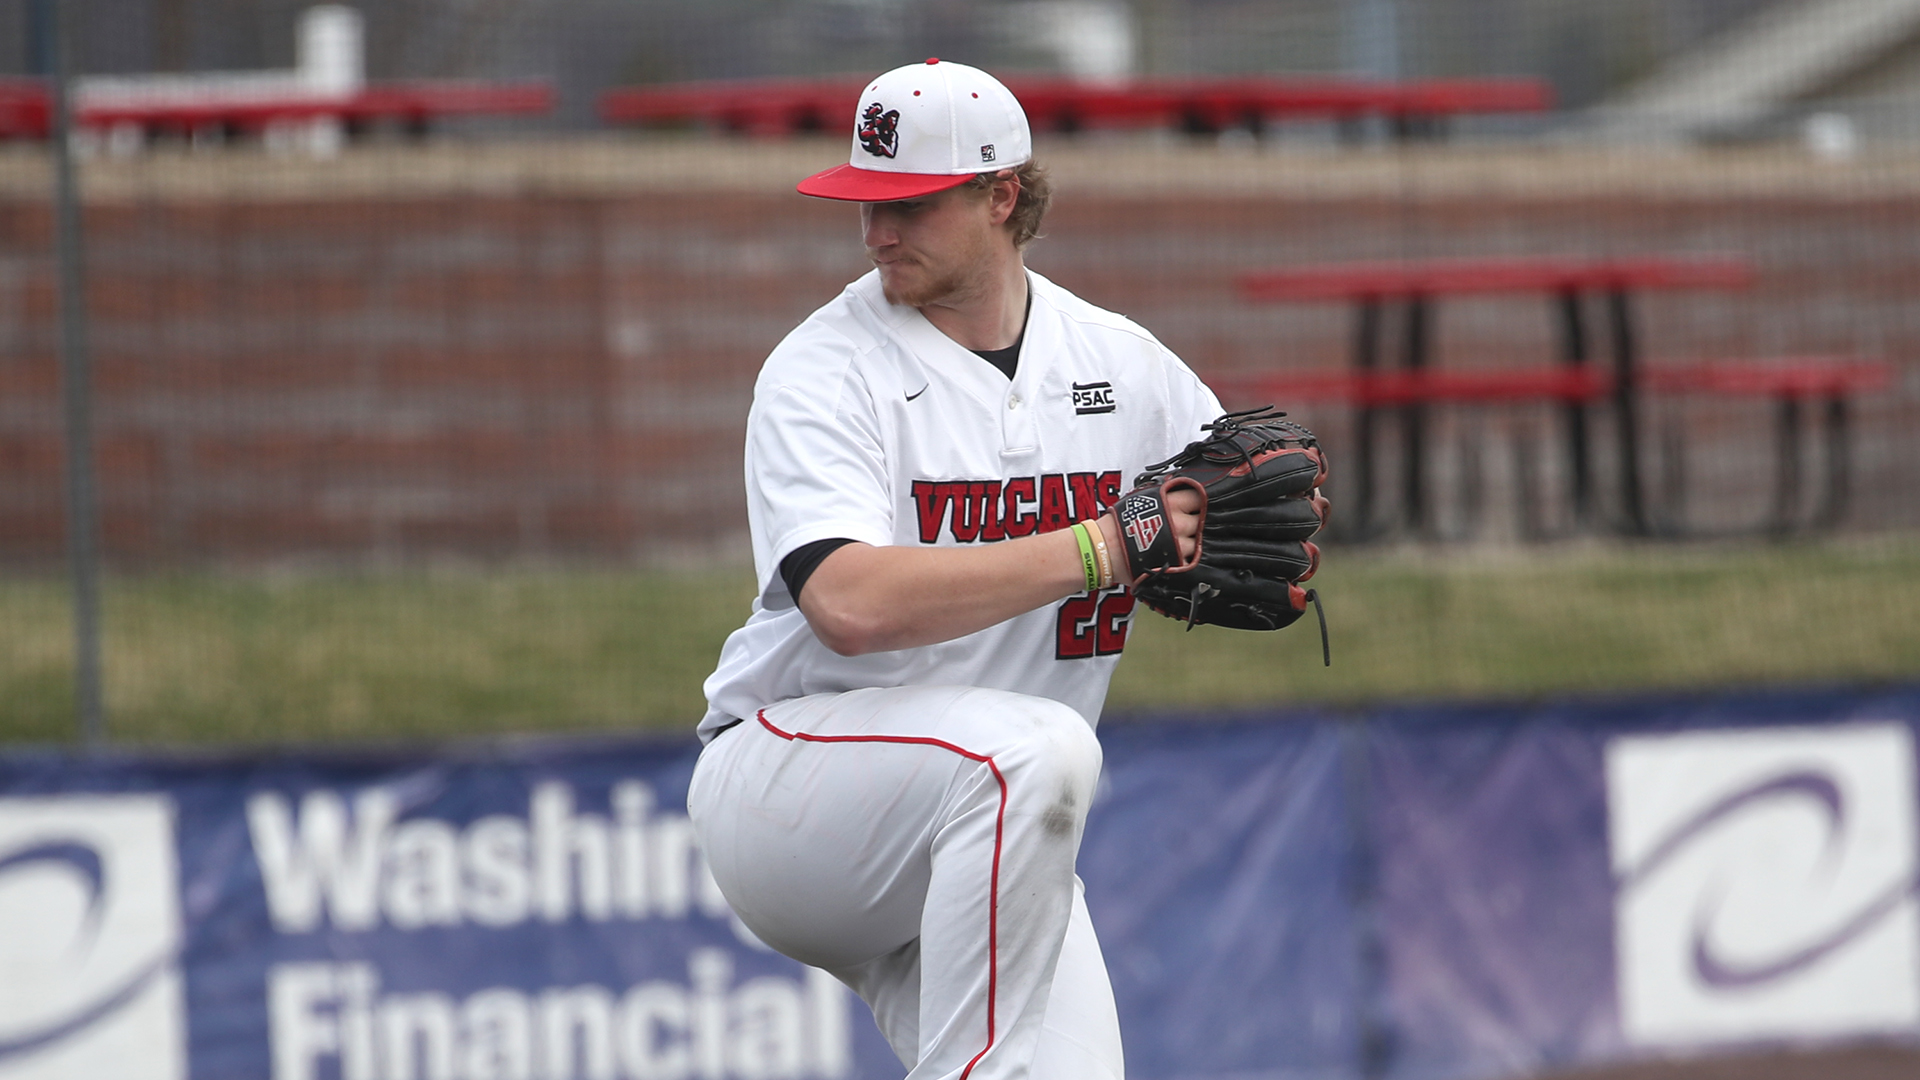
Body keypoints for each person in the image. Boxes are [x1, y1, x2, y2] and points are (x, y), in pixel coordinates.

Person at [686, 59, 1223, 1080]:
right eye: (867, 203)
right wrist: (1104, 547)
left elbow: (1254, 502)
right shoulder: (825, 370)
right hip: (794, 793)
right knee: (1036, 753)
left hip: (990, 832)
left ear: (1000, 195)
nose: (879, 229)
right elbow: (846, 602)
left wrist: (1255, 535)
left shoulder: (1122, 366)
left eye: (911, 204)